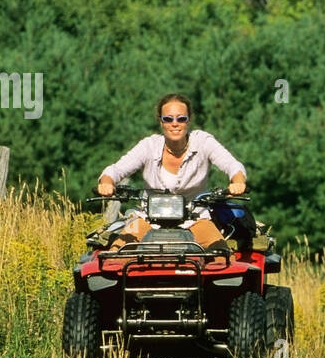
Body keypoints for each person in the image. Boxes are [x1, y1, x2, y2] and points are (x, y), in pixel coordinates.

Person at [96, 93, 247, 251]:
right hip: (147, 219)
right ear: (160, 121)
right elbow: (116, 170)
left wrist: (238, 182)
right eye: (168, 119)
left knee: (221, 255)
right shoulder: (149, 146)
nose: (175, 123)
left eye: (181, 118)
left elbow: (232, 165)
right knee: (115, 253)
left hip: (195, 219)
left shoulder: (203, 142)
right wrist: (107, 182)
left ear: (189, 120)